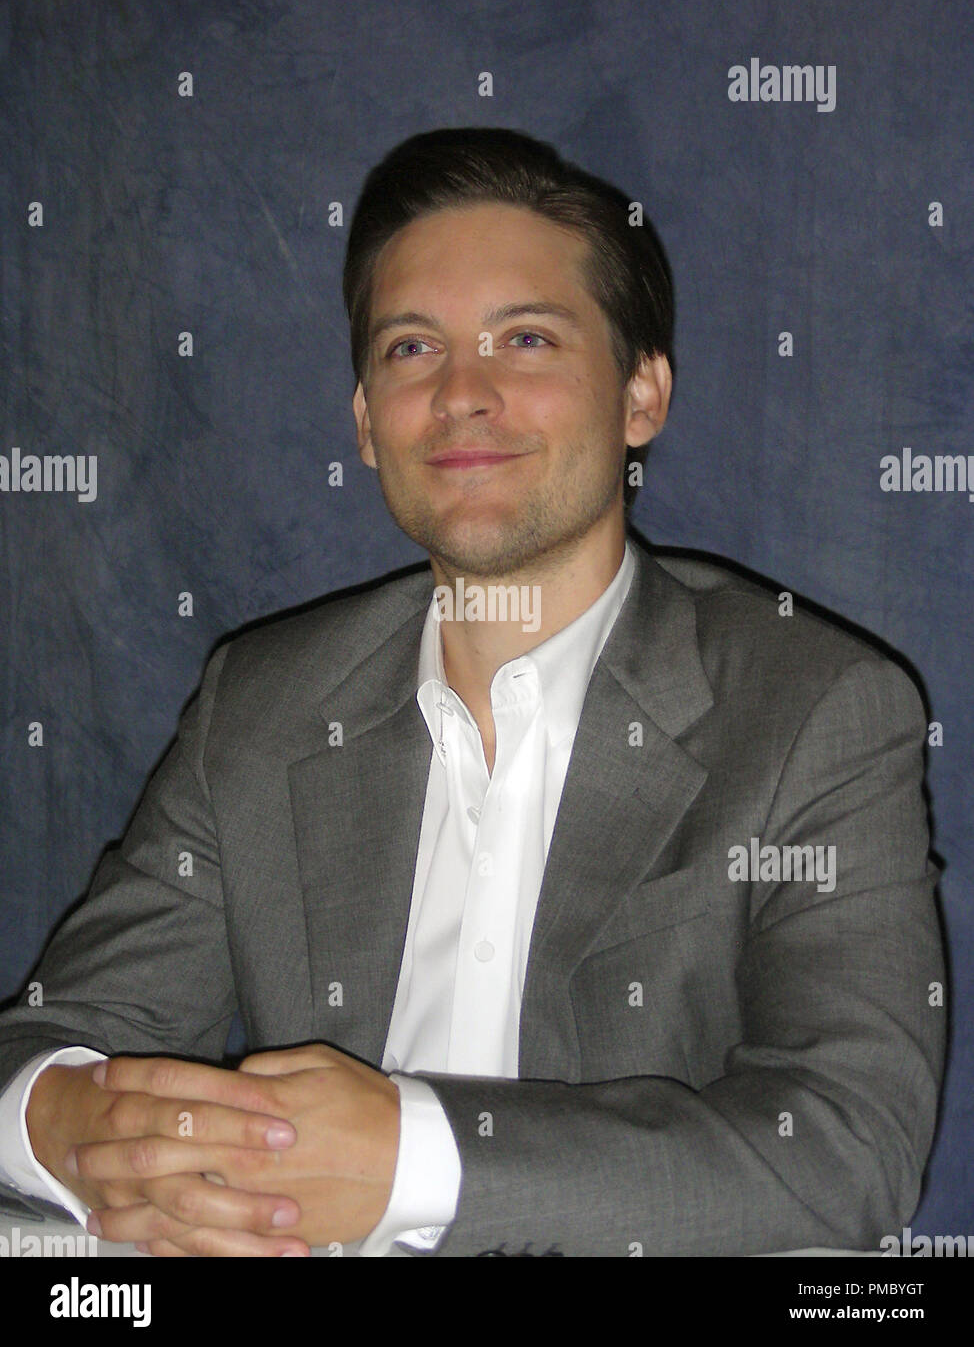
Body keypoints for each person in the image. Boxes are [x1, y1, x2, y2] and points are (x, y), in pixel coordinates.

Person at [0, 127, 946, 1258]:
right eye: (410, 350)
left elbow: (848, 1144)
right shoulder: (260, 701)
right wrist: (73, 1119)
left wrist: (411, 1158)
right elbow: (53, 1038)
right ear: (363, 421)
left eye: (527, 338)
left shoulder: (816, 708)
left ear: (641, 395)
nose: (462, 393)